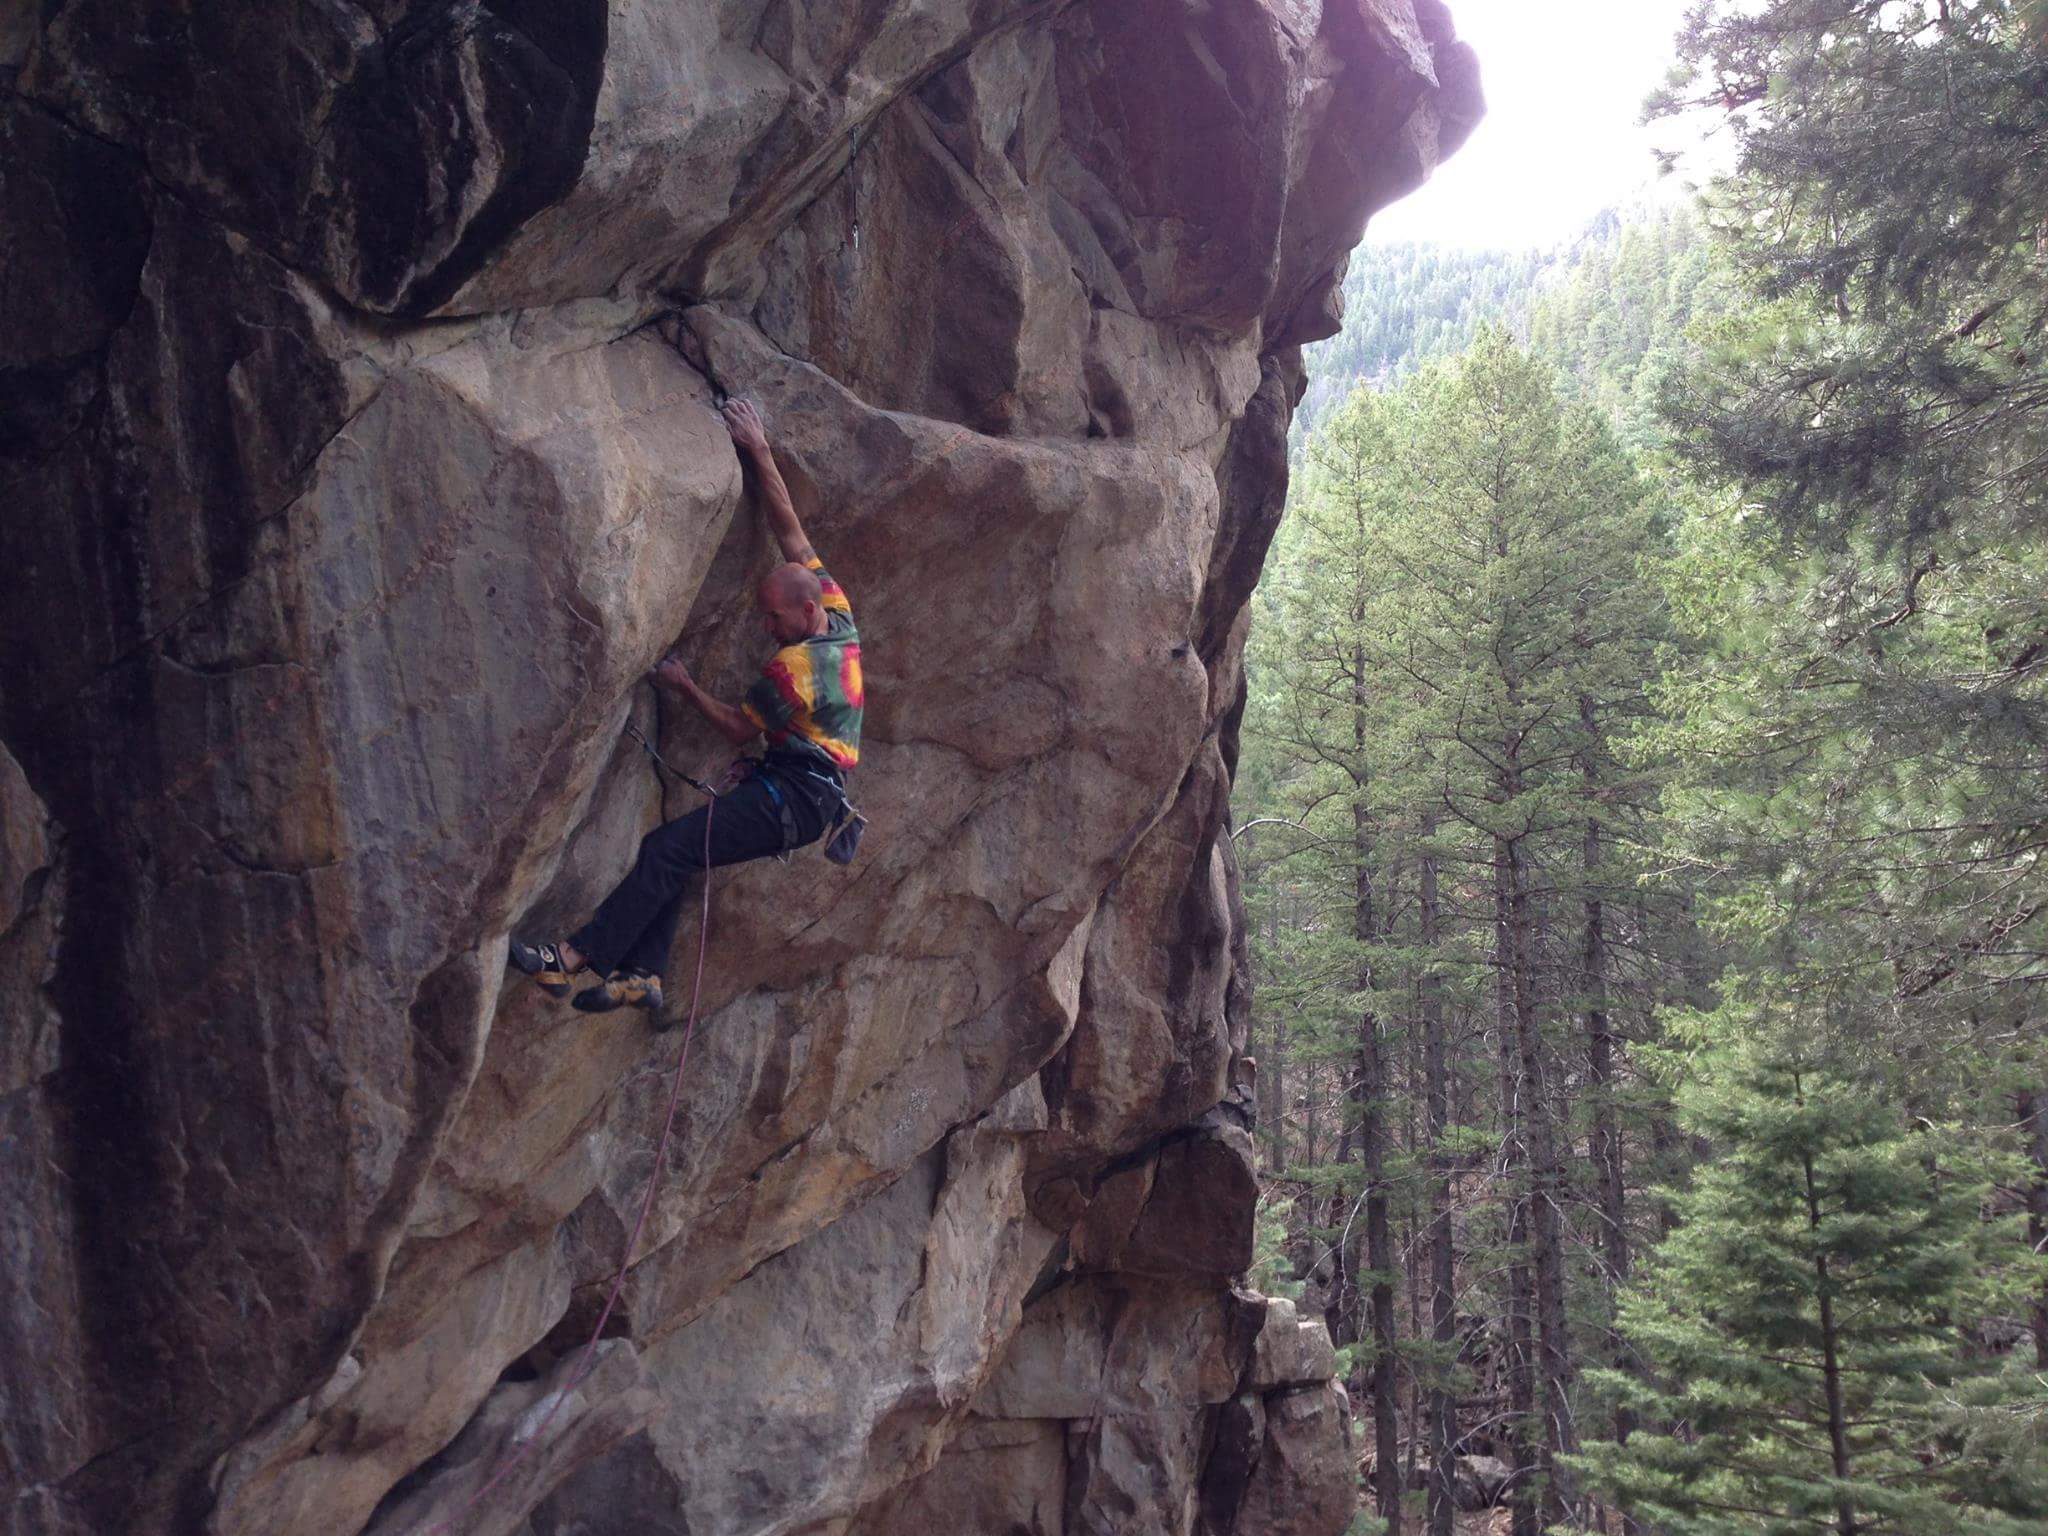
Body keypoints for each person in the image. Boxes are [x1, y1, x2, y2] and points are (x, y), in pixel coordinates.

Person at [509, 398, 864, 1015]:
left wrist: (685, 686)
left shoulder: (793, 669)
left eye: (773, 617)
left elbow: (733, 728)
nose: (767, 625)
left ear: (803, 613)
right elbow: (790, 530)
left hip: (799, 798)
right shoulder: (836, 613)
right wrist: (757, 448)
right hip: (806, 793)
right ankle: (644, 975)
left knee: (667, 850)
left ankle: (571, 959)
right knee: (676, 850)